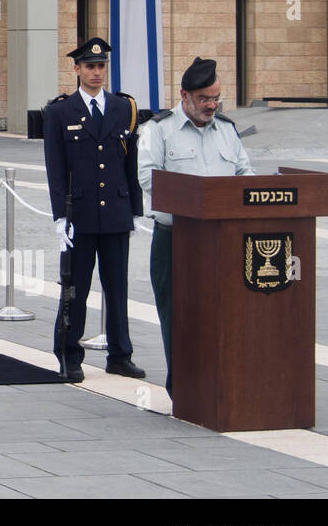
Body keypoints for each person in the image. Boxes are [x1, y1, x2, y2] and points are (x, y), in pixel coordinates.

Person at [139, 57, 253, 396]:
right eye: (204, 99)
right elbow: (148, 178)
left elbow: (245, 174)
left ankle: (221, 386)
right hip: (177, 240)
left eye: (216, 98)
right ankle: (184, 390)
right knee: (178, 317)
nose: (212, 105)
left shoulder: (227, 129)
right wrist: (194, 202)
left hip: (223, 240)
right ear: (184, 95)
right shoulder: (158, 129)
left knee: (223, 315)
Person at [43, 37, 145, 382]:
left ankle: (120, 354)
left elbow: (130, 161)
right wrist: (60, 215)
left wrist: (134, 207)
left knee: (117, 288)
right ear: (77, 69)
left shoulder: (123, 107)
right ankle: (69, 355)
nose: (96, 72)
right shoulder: (60, 112)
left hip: (115, 209)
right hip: (80, 214)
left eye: (101, 66)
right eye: (90, 66)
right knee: (76, 289)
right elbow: (55, 168)